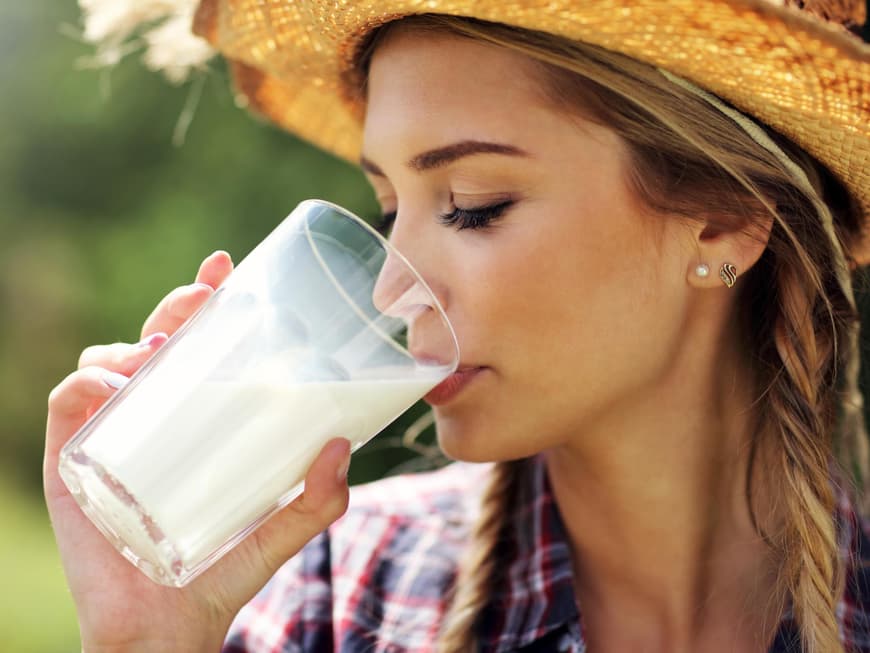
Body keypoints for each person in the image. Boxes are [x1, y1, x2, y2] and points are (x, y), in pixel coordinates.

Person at [46, 1, 870, 651]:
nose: (389, 292)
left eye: (475, 206)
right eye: (389, 208)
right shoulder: (336, 597)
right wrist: (145, 642)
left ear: (723, 222)